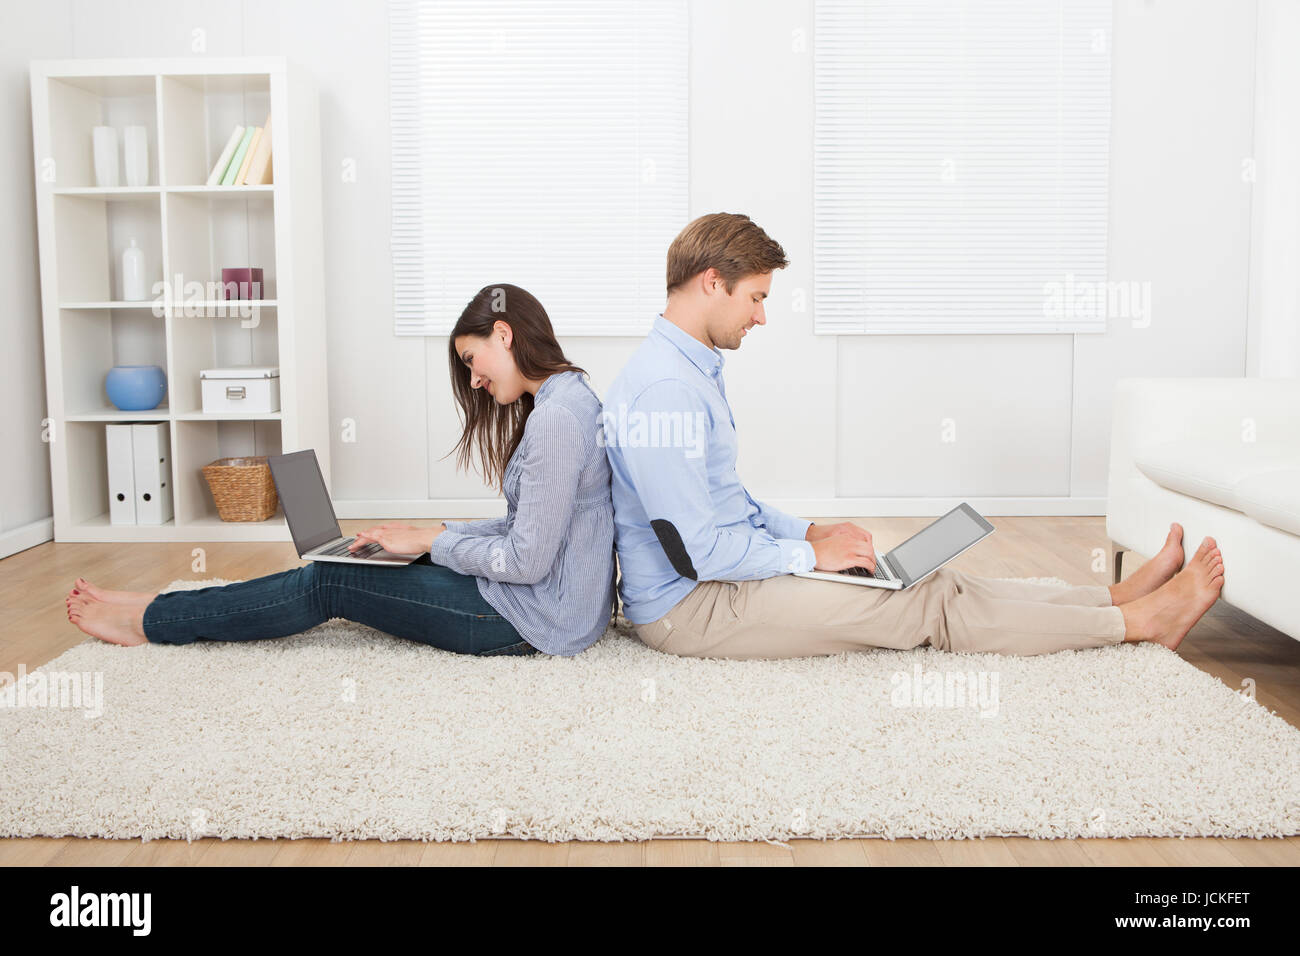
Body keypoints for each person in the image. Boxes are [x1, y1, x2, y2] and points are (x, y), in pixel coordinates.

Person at [601, 213, 1226, 659]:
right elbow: (695, 551)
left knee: (924, 578)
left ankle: (1107, 597)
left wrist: (809, 532)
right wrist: (806, 558)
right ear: (714, 281)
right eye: (757, 297)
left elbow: (724, 501)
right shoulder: (668, 392)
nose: (761, 315)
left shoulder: (688, 370)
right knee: (923, 607)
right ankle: (1138, 623)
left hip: (723, 581)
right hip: (693, 610)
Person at [66, 283, 617, 658]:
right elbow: (529, 534)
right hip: (555, 608)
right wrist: (432, 537)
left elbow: (524, 559)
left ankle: (150, 621)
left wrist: (433, 540)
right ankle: (159, 607)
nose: (473, 380)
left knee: (329, 581)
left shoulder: (557, 420)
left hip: (533, 622)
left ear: (504, 333)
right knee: (373, 564)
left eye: (472, 360)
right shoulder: (567, 401)